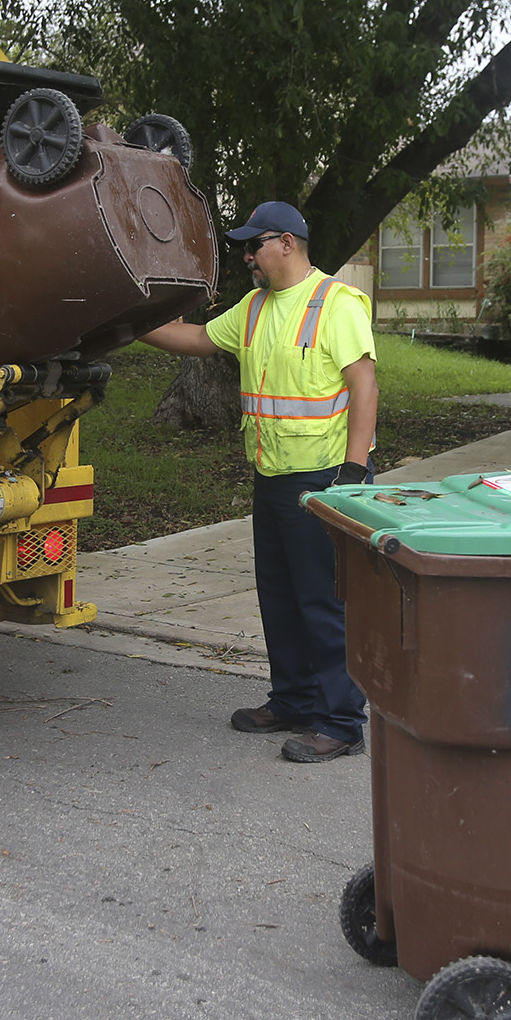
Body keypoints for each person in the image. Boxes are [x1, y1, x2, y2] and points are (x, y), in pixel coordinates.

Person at [140, 201, 378, 763]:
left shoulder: (334, 304)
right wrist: (126, 324)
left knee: (324, 601)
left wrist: (353, 468)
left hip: (323, 478)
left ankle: (341, 722)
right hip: (272, 474)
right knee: (279, 596)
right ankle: (293, 700)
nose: (247, 255)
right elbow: (196, 339)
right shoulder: (254, 308)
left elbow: (363, 386)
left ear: (287, 244)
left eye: (255, 245)